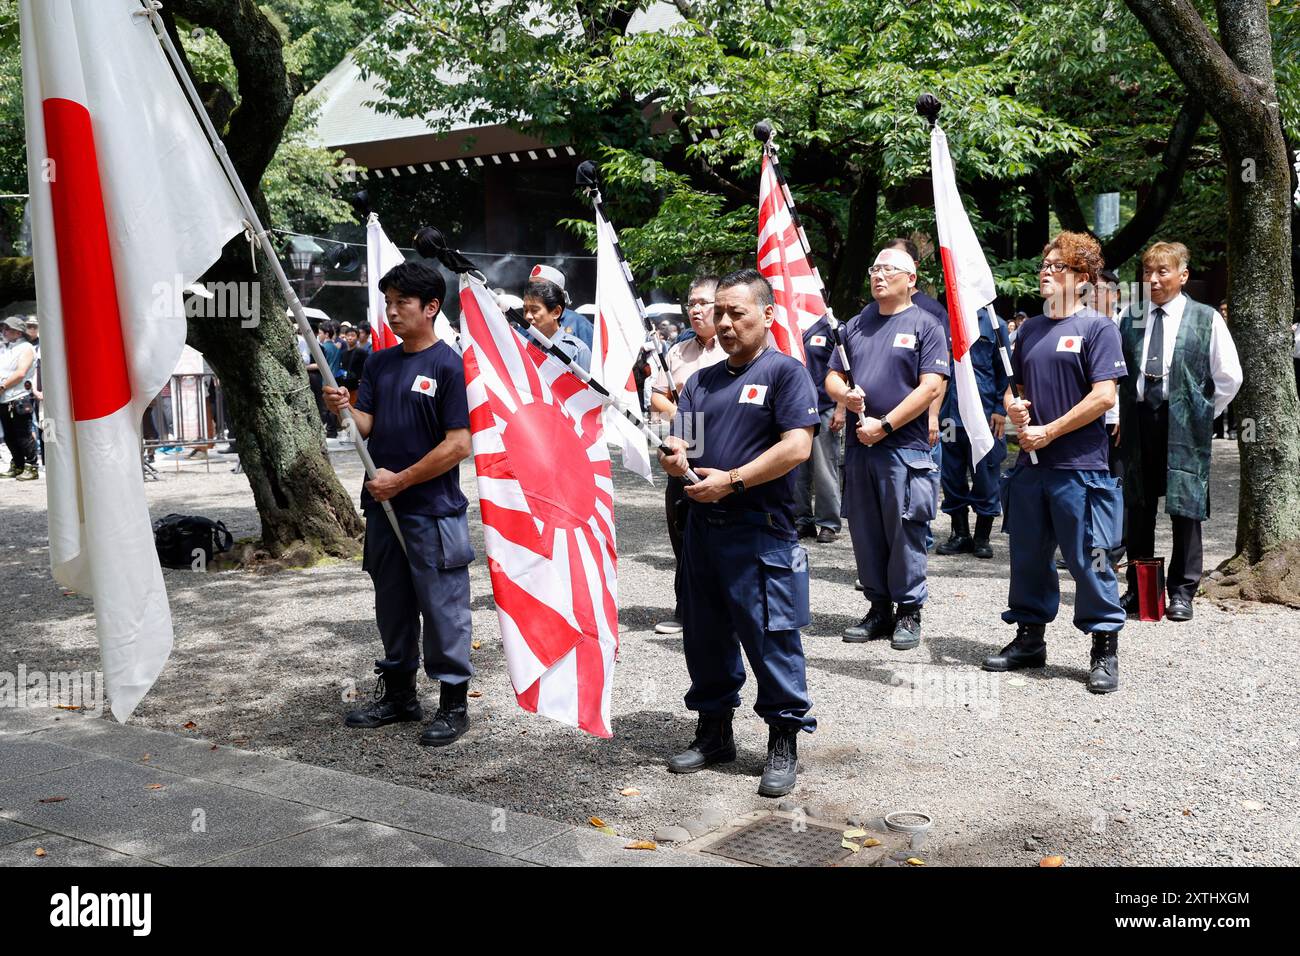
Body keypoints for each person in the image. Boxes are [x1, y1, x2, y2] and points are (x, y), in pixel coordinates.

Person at [658, 269, 818, 798]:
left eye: (736, 313)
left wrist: (733, 481)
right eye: (719, 313)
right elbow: (685, 443)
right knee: (704, 636)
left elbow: (797, 447)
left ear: (767, 315)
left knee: (771, 638)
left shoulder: (785, 374)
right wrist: (677, 455)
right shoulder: (701, 381)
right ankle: (713, 733)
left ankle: (783, 739)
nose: (725, 323)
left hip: (759, 531)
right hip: (702, 529)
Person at [323, 261, 476, 747]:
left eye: (401, 303)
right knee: (392, 602)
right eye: (388, 302)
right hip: (383, 511)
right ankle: (400, 694)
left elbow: (458, 444)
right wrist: (343, 408)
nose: (392, 312)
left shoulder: (448, 365)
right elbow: (365, 426)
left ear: (431, 307)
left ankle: (453, 703)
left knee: (444, 606)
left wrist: (401, 480)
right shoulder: (380, 362)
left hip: (433, 511)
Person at [983, 231, 1126, 693]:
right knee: (1028, 555)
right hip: (1030, 467)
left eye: (1056, 266)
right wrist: (1015, 406)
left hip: (1080, 466)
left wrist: (1051, 429)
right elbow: (1014, 387)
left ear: (1082, 278)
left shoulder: (1098, 328)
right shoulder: (1030, 330)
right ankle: (1029, 638)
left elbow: (1104, 395)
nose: (1045, 271)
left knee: (1090, 557)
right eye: (1044, 264)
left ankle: (1104, 645)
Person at [826, 246, 949, 649]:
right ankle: (878, 607)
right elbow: (832, 376)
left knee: (904, 529)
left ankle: (909, 610)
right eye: (874, 268)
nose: (878, 276)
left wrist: (888, 422)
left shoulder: (926, 325)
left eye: (888, 270)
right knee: (865, 529)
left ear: (910, 279)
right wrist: (847, 396)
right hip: (862, 446)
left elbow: (930, 385)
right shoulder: (857, 325)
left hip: (904, 448)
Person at [1117, 242, 1242, 622]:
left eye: (1162, 272)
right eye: (1147, 272)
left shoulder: (1205, 318)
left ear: (1182, 276)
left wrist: (1203, 413)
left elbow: (1229, 376)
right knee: (1138, 506)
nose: (1152, 279)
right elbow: (1116, 370)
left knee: (1186, 507)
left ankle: (1183, 591)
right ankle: (1141, 589)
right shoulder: (1130, 315)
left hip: (1183, 422)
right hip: (1138, 420)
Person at [649, 276, 724, 635]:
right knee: (682, 529)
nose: (695, 310)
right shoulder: (677, 352)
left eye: (703, 303)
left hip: (726, 452)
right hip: (685, 448)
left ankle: (725, 608)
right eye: (691, 303)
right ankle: (686, 606)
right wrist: (684, 415)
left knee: (722, 531)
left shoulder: (734, 349)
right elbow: (657, 398)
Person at [934, 305, 1012, 559]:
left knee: (986, 475)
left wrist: (1000, 408)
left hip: (984, 414)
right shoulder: (945, 321)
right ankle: (960, 534)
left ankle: (982, 538)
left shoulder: (994, 322)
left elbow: (1007, 369)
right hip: (949, 414)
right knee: (951, 474)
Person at [794, 315, 845, 543]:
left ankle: (828, 523)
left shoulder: (832, 326)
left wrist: (841, 408)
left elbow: (845, 368)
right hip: (794, 408)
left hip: (824, 406)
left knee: (825, 468)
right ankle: (801, 520)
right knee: (796, 469)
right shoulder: (788, 320)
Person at [523, 276, 591, 372]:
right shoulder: (522, 344)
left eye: (534, 310)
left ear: (556, 312)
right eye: (525, 310)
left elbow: (584, 386)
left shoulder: (577, 351)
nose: (528, 316)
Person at [0, 317, 39, 480]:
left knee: (23, 434)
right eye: (3, 328)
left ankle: (32, 465)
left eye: (7, 329)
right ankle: (18, 464)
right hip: (5, 398)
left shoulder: (26, 348)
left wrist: (2, 387)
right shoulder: (7, 348)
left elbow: (21, 373)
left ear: (17, 331)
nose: (4, 331)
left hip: (19, 397)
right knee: (9, 435)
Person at [529, 264, 593, 351]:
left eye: (541, 288)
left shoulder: (580, 324)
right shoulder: (525, 324)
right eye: (530, 287)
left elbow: (590, 361)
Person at [338, 325, 368, 409]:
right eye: (348, 335)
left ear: (357, 338)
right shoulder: (343, 353)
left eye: (353, 335)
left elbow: (368, 367)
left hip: (356, 388)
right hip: (345, 387)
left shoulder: (362, 352)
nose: (350, 338)